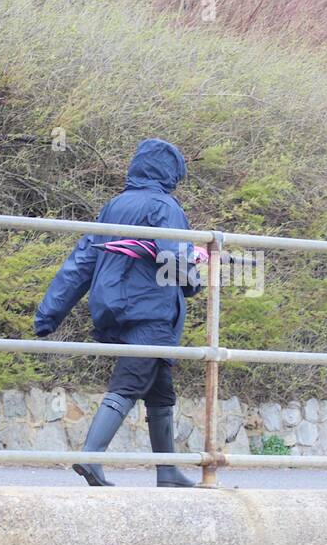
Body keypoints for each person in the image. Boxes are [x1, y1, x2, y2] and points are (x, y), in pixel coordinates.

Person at [33, 138, 206, 487]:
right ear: (170, 171)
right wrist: (193, 283)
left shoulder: (114, 206)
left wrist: (49, 313)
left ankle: (167, 470)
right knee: (130, 382)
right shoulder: (165, 206)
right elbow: (172, 259)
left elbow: (82, 261)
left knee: (160, 391)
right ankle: (91, 457)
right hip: (151, 311)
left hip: (115, 309)